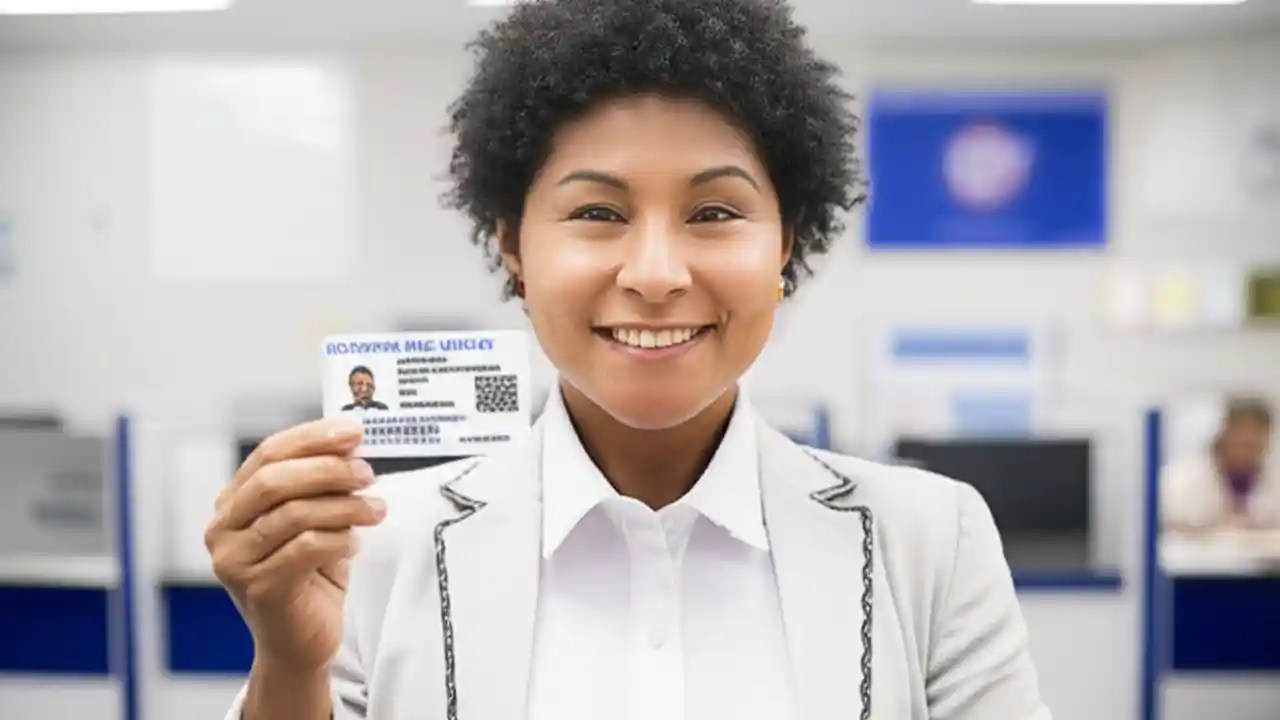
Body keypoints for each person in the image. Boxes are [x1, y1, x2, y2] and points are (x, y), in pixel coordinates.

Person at [205, 1, 1050, 718]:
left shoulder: (930, 542)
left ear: (786, 246)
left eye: (716, 211)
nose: (654, 276)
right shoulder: (372, 548)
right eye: (598, 213)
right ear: (513, 246)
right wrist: (289, 666)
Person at [1162, 397, 1280, 532]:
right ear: (1223, 433)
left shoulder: (1275, 480)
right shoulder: (1178, 480)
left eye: (1257, 433)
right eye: (1241, 431)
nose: (1248, 439)